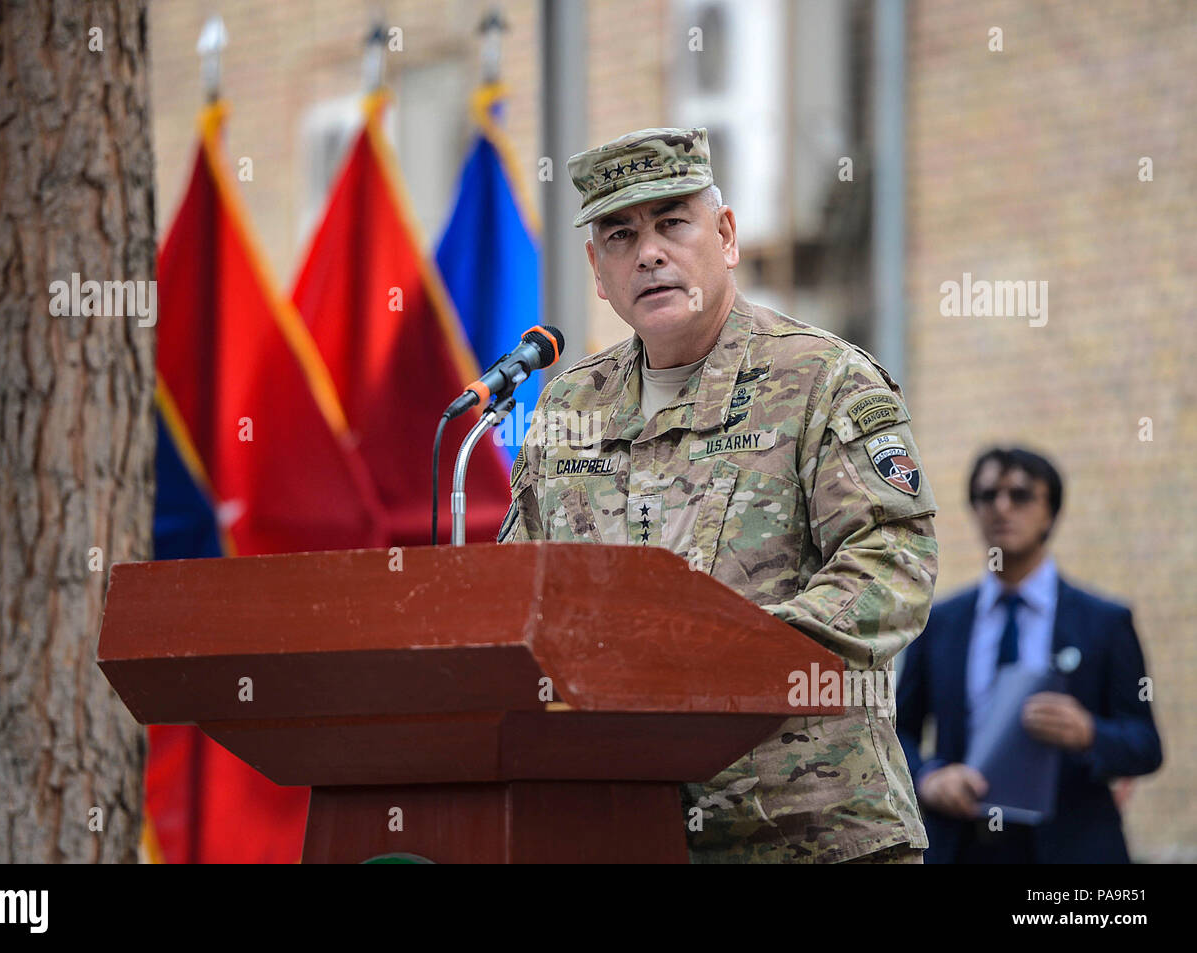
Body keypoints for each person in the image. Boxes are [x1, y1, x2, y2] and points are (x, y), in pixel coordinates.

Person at [497, 127, 939, 863]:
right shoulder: (569, 405)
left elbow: (894, 562)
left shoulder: (822, 378)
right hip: (624, 831)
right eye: (620, 234)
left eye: (673, 222)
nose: (649, 252)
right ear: (597, 271)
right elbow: (521, 592)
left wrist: (727, 664)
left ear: (726, 235)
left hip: (814, 834)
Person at [896, 447, 1163, 862]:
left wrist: (1089, 733)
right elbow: (897, 731)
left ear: (1051, 512)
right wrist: (927, 778)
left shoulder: (1105, 621)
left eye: (1020, 495)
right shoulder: (939, 621)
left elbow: (1146, 744)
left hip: (1070, 846)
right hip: (961, 844)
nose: (1002, 507)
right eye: (988, 496)